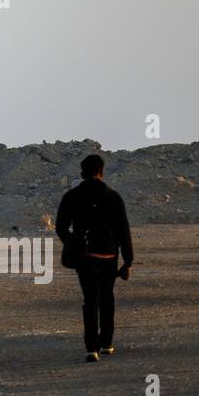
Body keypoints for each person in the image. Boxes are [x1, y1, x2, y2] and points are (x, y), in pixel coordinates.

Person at [56, 153, 134, 362]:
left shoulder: (71, 196)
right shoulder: (114, 197)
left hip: (85, 256)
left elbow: (61, 227)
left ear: (82, 173)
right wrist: (128, 261)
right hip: (109, 255)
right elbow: (123, 231)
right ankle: (107, 343)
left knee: (90, 300)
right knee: (107, 298)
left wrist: (72, 244)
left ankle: (92, 348)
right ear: (102, 171)